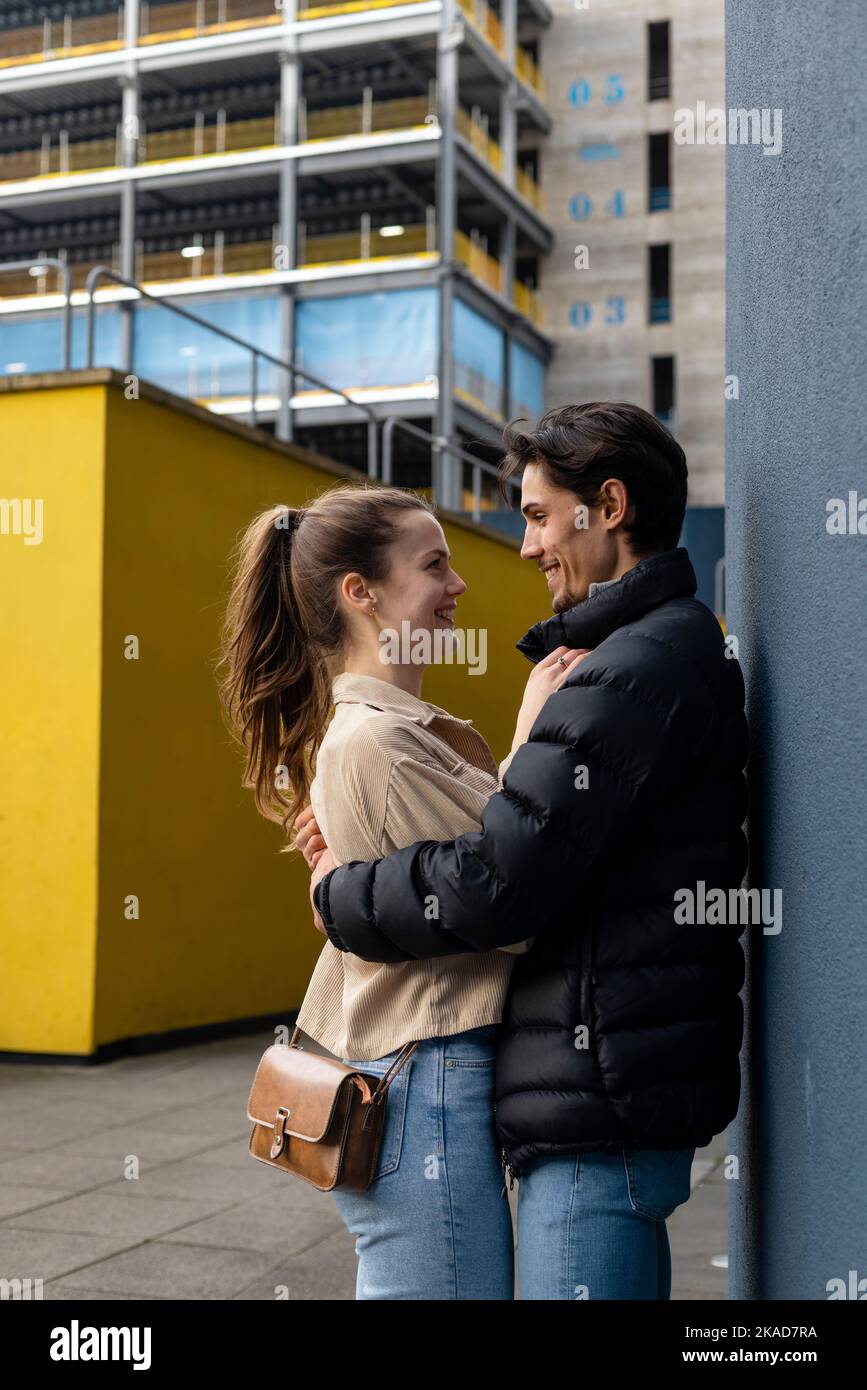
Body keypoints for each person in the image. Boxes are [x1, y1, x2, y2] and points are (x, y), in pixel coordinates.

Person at [304, 402, 750, 1301]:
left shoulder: (627, 667)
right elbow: (522, 843)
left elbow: (498, 881)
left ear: (609, 507)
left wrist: (338, 894)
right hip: (593, 1088)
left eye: (539, 515)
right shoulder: (631, 656)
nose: (522, 545)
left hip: (600, 1096)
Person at [217, 481, 586, 1300]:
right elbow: (510, 884)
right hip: (428, 1077)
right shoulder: (379, 743)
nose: (457, 586)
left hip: (420, 1072)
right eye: (432, 566)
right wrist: (534, 731)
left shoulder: (388, 733)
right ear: (362, 593)